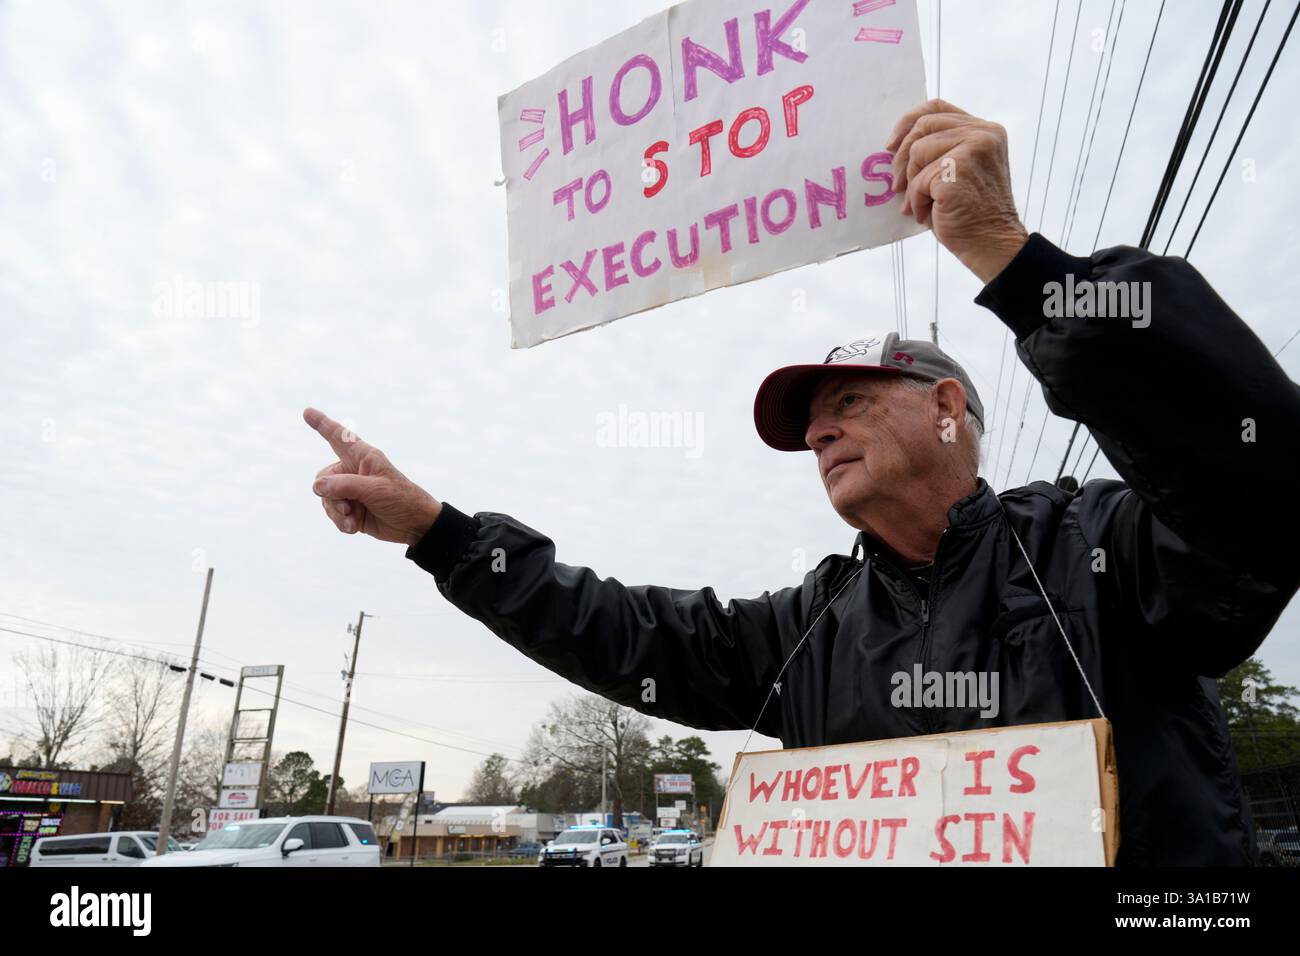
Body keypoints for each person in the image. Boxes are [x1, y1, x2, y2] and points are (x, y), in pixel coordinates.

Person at [305, 100, 1300, 865]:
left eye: (855, 402)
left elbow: (1255, 479)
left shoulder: (1099, 550)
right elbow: (624, 631)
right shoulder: (810, 626)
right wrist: (437, 532)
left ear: (949, 407)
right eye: (810, 422)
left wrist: (1014, 258)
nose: (821, 429)